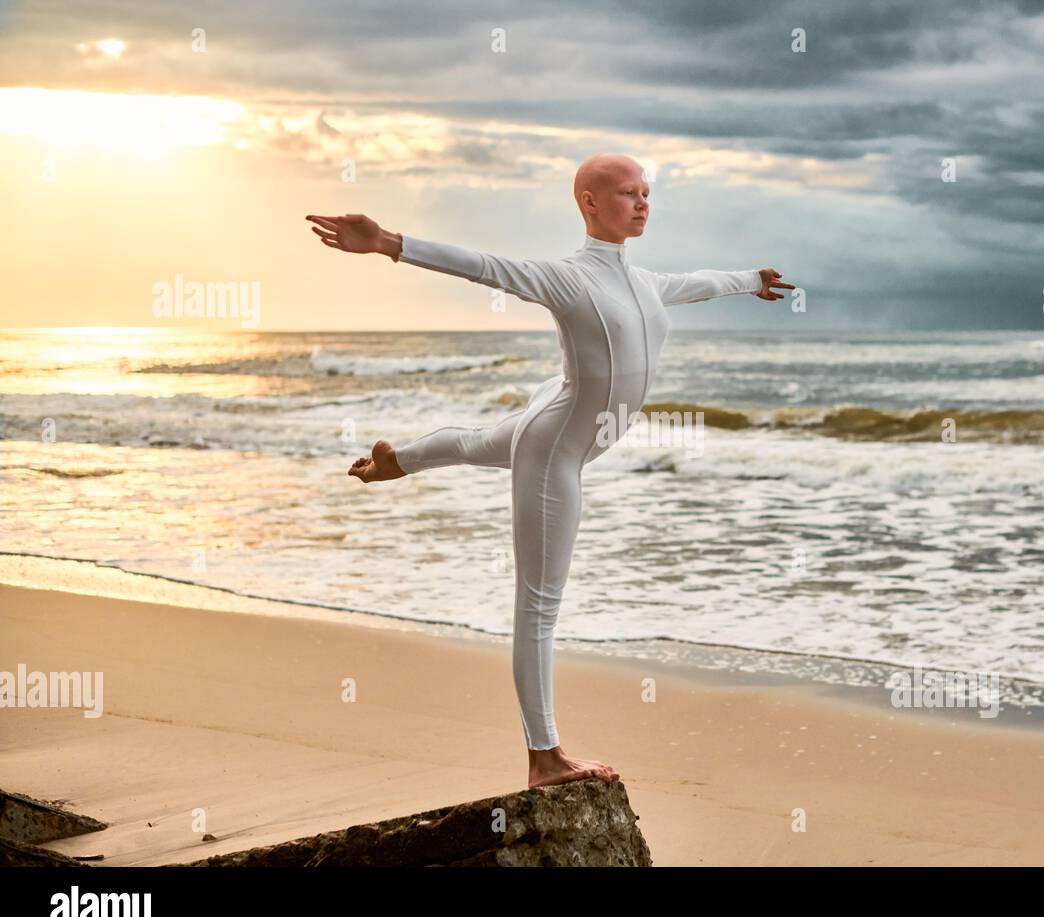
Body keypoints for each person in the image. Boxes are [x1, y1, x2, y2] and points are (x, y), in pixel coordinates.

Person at [305, 153, 792, 788]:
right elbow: (487, 268)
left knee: (482, 440)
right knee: (538, 605)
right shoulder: (569, 279)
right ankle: (544, 758)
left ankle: (399, 461)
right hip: (557, 448)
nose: (642, 204)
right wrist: (389, 243)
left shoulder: (642, 282)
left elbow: (696, 283)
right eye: (626, 193)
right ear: (589, 203)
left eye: (647, 194)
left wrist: (750, 278)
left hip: (558, 420)